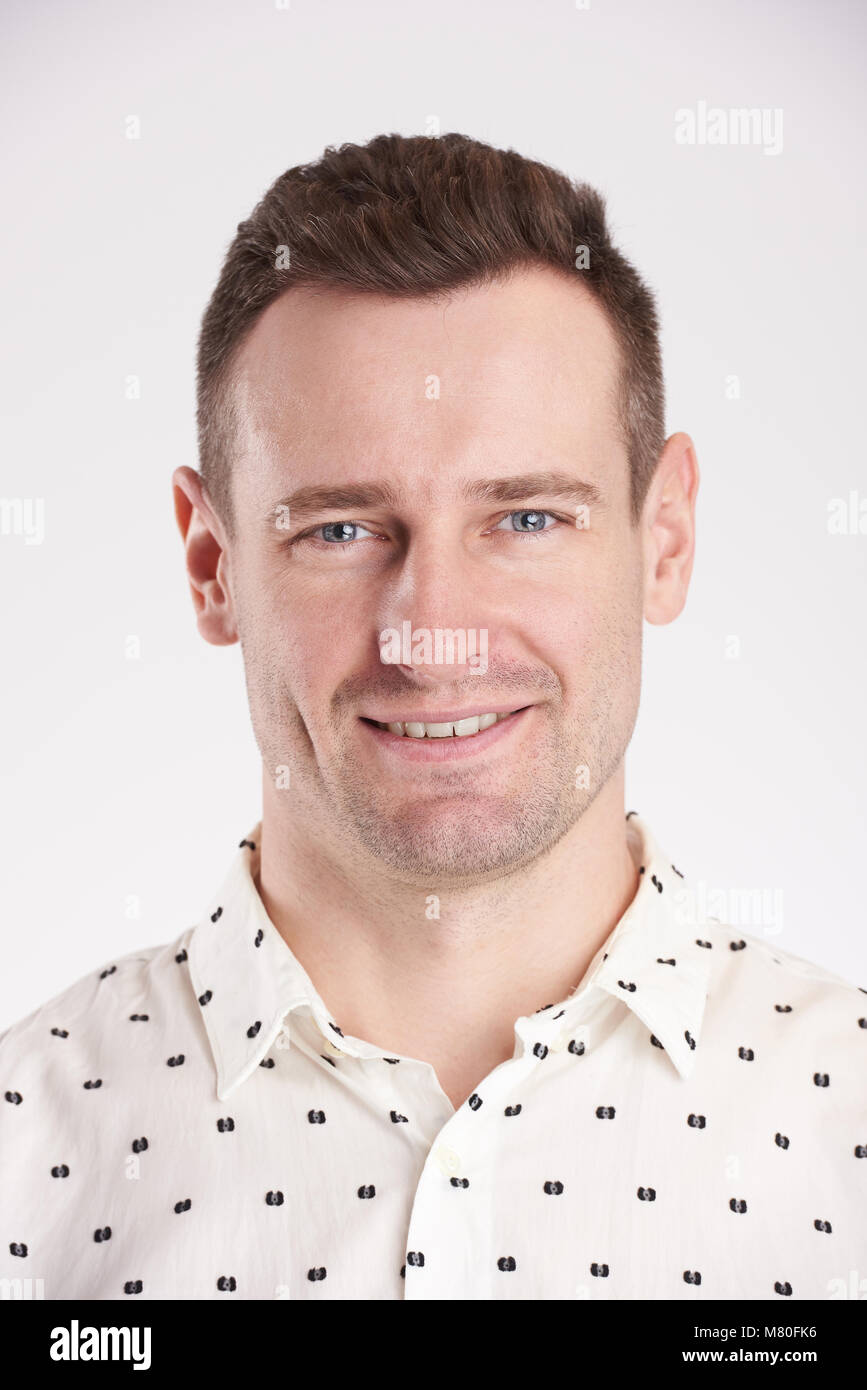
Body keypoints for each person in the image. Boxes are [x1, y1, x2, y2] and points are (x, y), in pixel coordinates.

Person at [2, 133, 864, 1302]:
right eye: (342, 530)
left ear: (664, 539)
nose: (435, 630)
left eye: (527, 520)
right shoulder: (26, 1161)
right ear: (212, 564)